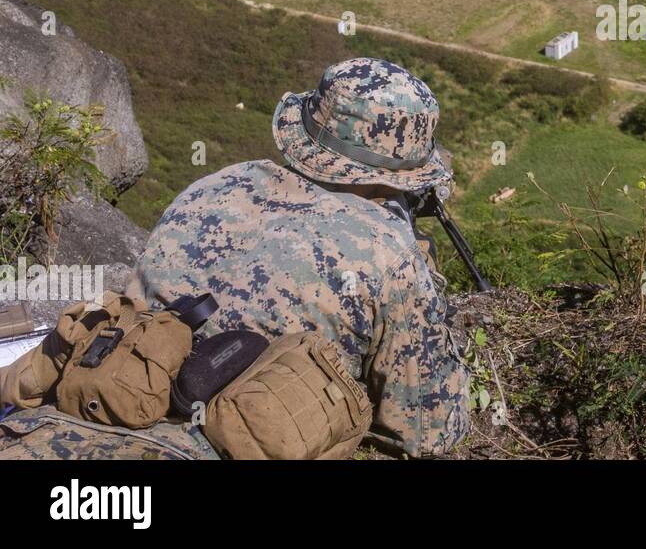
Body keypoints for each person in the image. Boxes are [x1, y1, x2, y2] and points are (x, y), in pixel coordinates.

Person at [0, 57, 470, 459]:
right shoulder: (388, 249)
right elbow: (429, 431)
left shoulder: (216, 185)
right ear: (408, 171)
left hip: (62, 425)